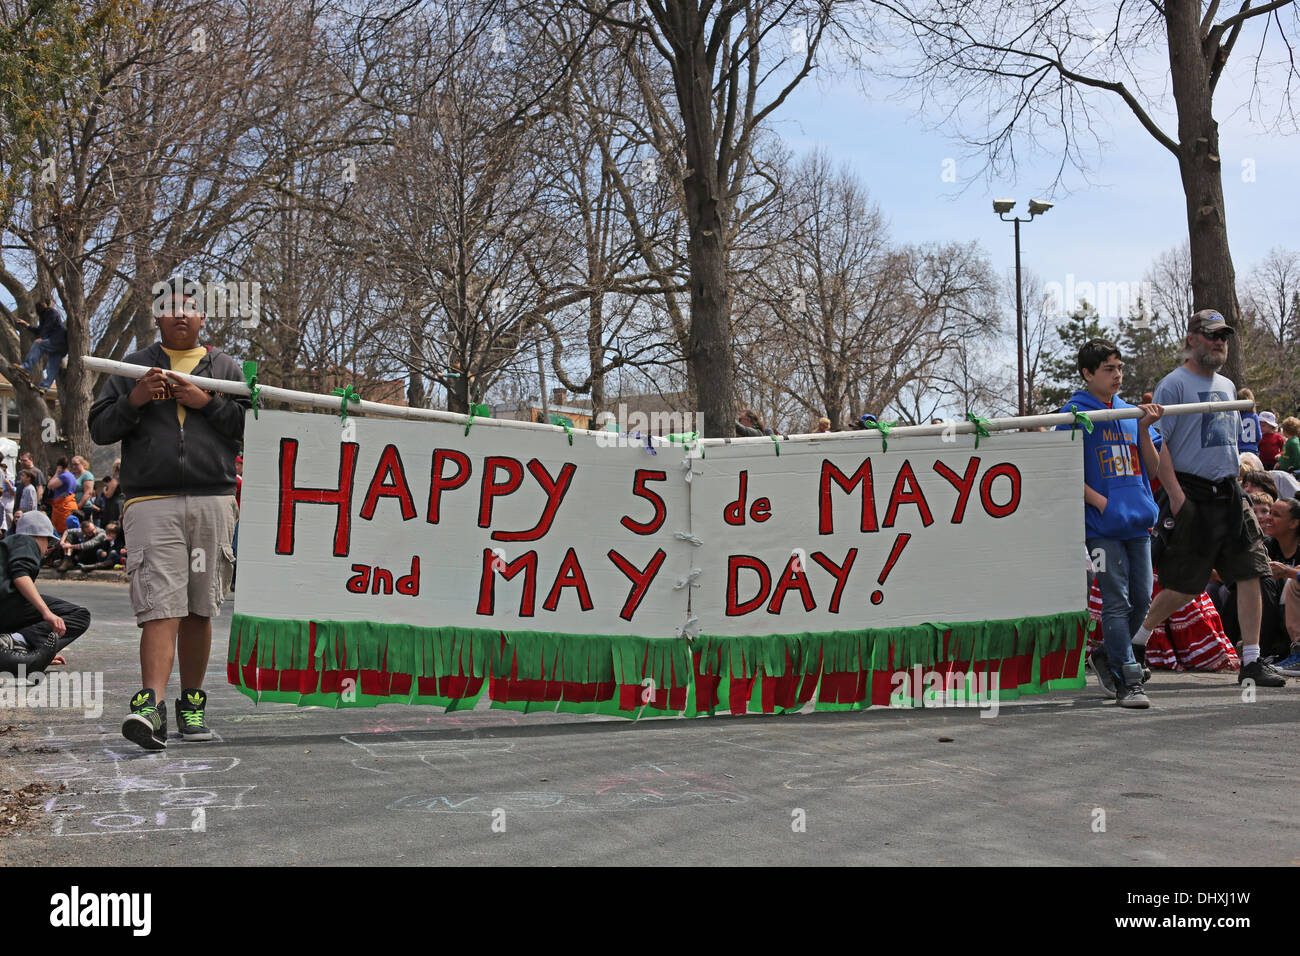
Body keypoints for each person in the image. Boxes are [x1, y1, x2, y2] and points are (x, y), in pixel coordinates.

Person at [89, 274, 248, 750]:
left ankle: (192, 703)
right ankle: (149, 706)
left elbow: (250, 427)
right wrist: (134, 400)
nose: (180, 314)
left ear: (204, 315)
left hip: (213, 499)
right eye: (169, 307)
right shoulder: (130, 367)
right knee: (160, 607)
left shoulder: (227, 368)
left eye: (190, 307)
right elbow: (99, 429)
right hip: (150, 502)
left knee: (200, 608)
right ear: (157, 316)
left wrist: (206, 402)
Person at [1133, 309, 1286, 688]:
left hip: (1229, 493)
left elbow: (1229, 442)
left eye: (1224, 337)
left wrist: (1237, 480)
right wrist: (1176, 495)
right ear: (1191, 339)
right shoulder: (1175, 384)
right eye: (1211, 335)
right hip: (1192, 492)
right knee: (1184, 585)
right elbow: (1159, 442)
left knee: (1252, 571)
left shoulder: (1229, 386)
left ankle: (1250, 660)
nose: (1219, 343)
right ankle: (1137, 642)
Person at [1057, 339, 1162, 708]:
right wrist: (1103, 504)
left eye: (1119, 368)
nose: (1117, 376)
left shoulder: (1130, 412)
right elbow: (1064, 470)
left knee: (1142, 599)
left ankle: (1106, 655)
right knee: (1116, 601)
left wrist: (1145, 428)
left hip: (1139, 524)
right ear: (1087, 374)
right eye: (1108, 369)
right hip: (1102, 529)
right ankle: (1126, 677)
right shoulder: (1072, 413)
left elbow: (1152, 469)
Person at [0, 511, 91, 677]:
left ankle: (22, 647)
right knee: (79, 615)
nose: (46, 550)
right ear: (39, 537)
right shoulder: (25, 541)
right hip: (5, 601)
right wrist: (46, 613)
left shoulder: (8, 546)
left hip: (6, 610)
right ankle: (14, 642)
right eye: (48, 542)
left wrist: (42, 651)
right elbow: (21, 575)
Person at [14, 295, 69, 392]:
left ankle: (26, 368)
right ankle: (44, 387)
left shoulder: (51, 312)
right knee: (52, 366)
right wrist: (27, 325)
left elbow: (48, 327)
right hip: (60, 347)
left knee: (38, 344)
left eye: (41, 304)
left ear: (45, 304)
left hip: (57, 340)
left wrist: (41, 338)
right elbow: (40, 330)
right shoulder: (44, 316)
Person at [46, 457, 78, 533]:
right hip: (70, 503)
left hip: (63, 506)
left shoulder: (64, 476)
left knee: (62, 530)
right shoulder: (72, 476)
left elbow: (50, 485)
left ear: (59, 466)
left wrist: (57, 473)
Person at [1238, 388, 1261, 456]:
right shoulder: (1254, 416)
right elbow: (1258, 436)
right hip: (1252, 450)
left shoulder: (1237, 417)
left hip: (1239, 449)